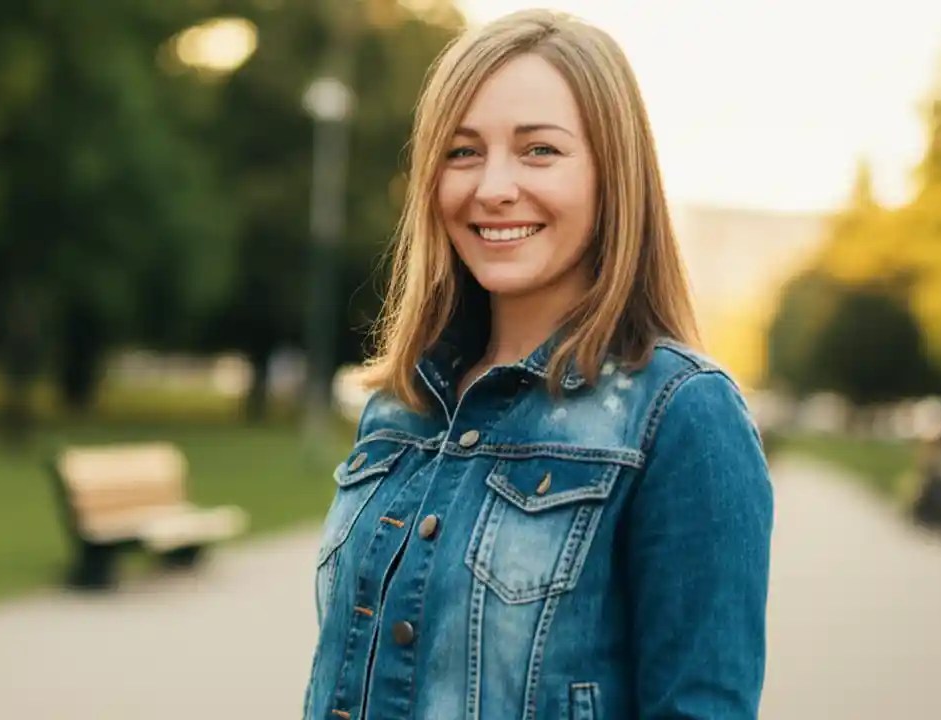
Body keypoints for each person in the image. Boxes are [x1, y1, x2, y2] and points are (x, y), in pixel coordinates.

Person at [302, 9, 774, 720]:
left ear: (612, 173)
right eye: (462, 152)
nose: (493, 187)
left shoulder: (683, 417)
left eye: (539, 151)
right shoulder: (400, 408)